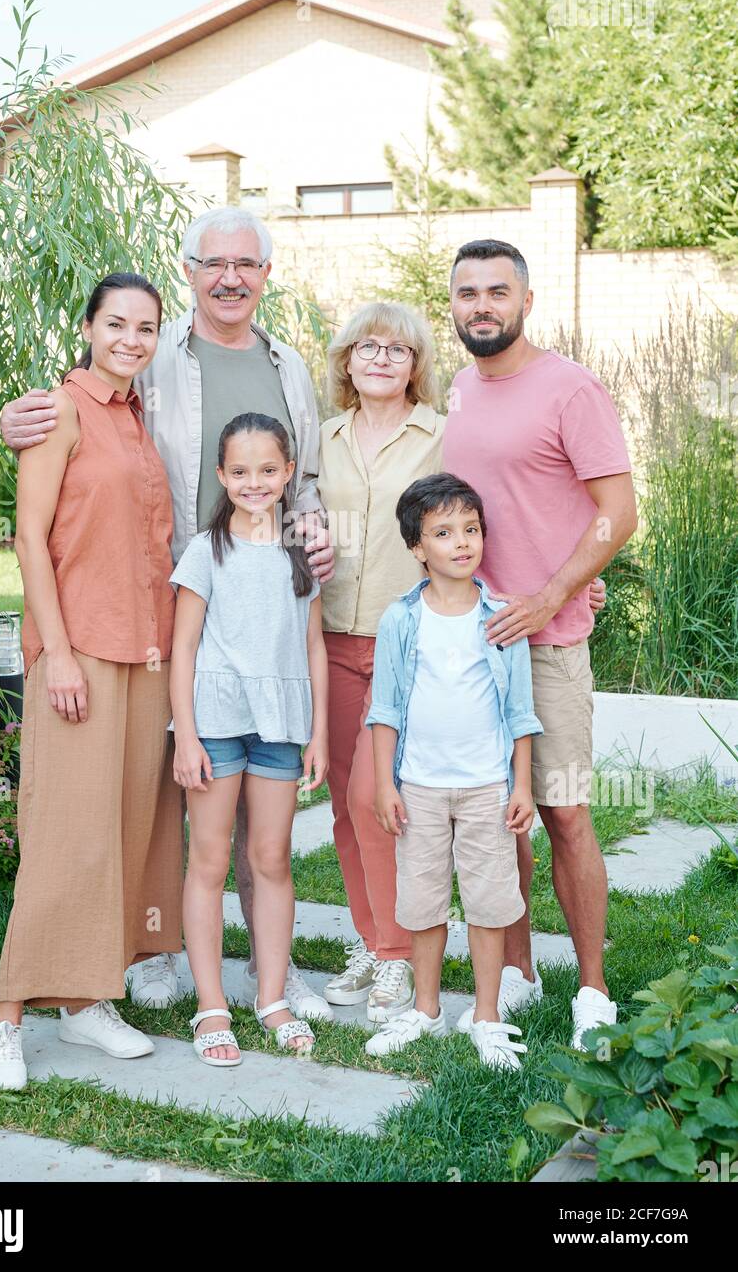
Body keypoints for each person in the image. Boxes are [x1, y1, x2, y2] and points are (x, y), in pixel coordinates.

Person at [0, 207, 334, 1022]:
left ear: (264, 275)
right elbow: (82, 413)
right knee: (175, 778)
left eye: (246, 264)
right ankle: (154, 953)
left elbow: (312, 473)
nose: (230, 277)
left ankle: (267, 972)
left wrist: (313, 524)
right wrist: (14, 418)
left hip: (260, 589)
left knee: (240, 790)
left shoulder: (289, 366)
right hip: (172, 594)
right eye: (214, 262)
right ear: (190, 269)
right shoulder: (157, 355)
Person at [0, 273, 180, 1091]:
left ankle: (86, 998)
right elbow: (27, 538)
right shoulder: (58, 411)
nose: (131, 339)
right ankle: (3, 1018)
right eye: (117, 324)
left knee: (128, 828)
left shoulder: (136, 419)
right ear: (89, 326)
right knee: (65, 833)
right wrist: (53, 652)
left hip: (145, 652)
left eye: (147, 327)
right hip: (79, 651)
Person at [442, 239, 637, 1049]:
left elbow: (617, 512)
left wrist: (555, 592)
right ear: (451, 304)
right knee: (496, 820)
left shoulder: (570, 389)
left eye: (496, 291)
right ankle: (518, 973)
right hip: (473, 645)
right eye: (466, 293)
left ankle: (591, 986)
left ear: (526, 300)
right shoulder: (457, 389)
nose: (480, 306)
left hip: (549, 644)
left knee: (564, 812)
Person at [364, 474, 543, 1068]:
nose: (461, 543)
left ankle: (487, 1015)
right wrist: (384, 782)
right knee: (422, 899)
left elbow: (520, 713)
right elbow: (384, 709)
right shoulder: (400, 622)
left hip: (487, 787)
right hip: (419, 785)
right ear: (418, 547)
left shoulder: (501, 620)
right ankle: (426, 1009)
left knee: (491, 899)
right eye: (443, 533)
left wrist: (522, 783)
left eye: (470, 530)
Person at [170, 414, 328, 1064]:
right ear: (220, 476)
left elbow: (314, 645)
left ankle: (271, 996)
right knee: (208, 861)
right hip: (216, 721)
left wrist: (318, 733)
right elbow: (182, 648)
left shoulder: (300, 552)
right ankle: (211, 1006)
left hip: (280, 728)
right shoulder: (206, 551)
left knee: (271, 861)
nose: (255, 482)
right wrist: (185, 735)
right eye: (240, 471)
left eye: (268, 470)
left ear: (288, 472)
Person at [317, 302, 445, 1022]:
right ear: (346, 360)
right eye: (367, 346)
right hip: (332, 637)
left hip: (406, 644)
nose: (380, 359)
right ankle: (370, 940)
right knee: (342, 802)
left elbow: (467, 525)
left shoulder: (441, 437)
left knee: (379, 799)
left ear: (416, 365)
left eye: (397, 349)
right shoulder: (322, 437)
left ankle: (398, 954)